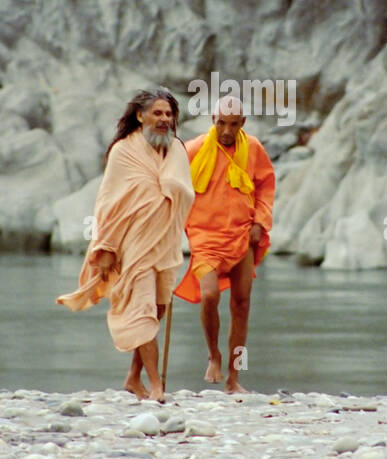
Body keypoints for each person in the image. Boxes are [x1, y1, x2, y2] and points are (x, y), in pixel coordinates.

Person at [57, 89, 194, 402]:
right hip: (133, 246)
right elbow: (107, 202)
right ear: (140, 116)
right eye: (157, 113)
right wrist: (104, 247)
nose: (164, 120)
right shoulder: (123, 151)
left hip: (166, 244)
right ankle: (157, 385)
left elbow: (187, 193)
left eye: (168, 115)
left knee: (156, 310)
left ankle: (133, 377)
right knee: (143, 310)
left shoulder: (176, 150)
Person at [173, 95, 275, 393]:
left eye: (233, 124)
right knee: (209, 296)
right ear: (213, 121)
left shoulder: (253, 148)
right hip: (204, 236)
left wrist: (259, 223)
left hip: (241, 235)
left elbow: (265, 187)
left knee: (242, 305)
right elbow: (173, 184)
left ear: (242, 123)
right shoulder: (192, 149)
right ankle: (213, 355)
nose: (227, 130)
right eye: (221, 123)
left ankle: (234, 379)